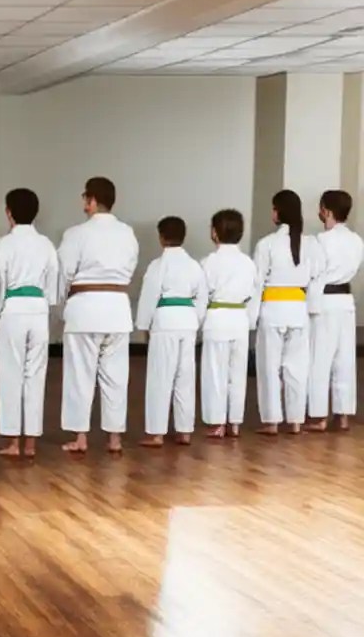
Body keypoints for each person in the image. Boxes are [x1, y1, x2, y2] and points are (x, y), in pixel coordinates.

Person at [57, 177, 139, 454]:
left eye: (85, 198)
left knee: (80, 375)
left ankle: (80, 437)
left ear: (91, 200)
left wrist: (60, 306)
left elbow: (64, 271)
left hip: (85, 309)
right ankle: (114, 438)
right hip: (117, 308)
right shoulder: (127, 233)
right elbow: (130, 266)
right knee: (116, 376)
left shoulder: (76, 234)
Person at [0, 188, 58, 460]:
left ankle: (13, 441)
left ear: (9, 213)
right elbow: (53, 288)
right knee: (36, 375)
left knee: (10, 374)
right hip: (38, 311)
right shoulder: (46, 245)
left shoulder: (2, 246)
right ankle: (31, 442)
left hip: (12, 310)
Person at [254, 189, 324, 435]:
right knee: (297, 367)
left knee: (269, 366)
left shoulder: (266, 244)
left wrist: (252, 317)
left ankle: (272, 421)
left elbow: (257, 282)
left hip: (272, 308)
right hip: (298, 308)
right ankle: (295, 419)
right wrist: (312, 309)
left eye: (274, 208)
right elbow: (317, 278)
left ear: (279, 212)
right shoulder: (311, 243)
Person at [134, 216, 207, 447]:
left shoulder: (158, 265)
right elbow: (202, 297)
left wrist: (144, 326)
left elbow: (149, 297)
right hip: (187, 320)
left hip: (165, 321)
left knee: (160, 376)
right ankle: (184, 430)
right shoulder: (194, 265)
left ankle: (156, 432)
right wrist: (195, 319)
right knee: (184, 376)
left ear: (161, 237)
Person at [199, 209, 260, 439]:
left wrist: (199, 322)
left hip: (216, 317)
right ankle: (235, 421)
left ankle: (217, 422)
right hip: (240, 319)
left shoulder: (207, 262)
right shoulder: (248, 263)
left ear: (215, 233)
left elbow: (202, 296)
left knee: (215, 372)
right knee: (238, 372)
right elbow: (255, 294)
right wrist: (250, 321)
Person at [307, 190, 362, 432]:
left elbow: (313, 273)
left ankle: (319, 416)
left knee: (320, 358)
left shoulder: (320, 241)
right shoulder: (357, 240)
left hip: (325, 302)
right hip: (346, 302)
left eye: (320, 208)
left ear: (326, 210)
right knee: (345, 358)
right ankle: (343, 415)